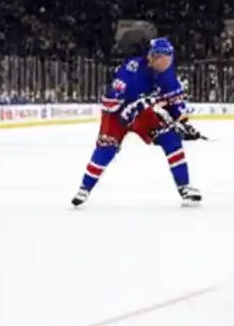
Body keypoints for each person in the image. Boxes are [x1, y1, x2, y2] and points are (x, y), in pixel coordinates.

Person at [71, 37, 201, 207]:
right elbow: (113, 100)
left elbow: (175, 104)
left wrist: (182, 123)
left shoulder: (168, 75)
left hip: (142, 113)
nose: (167, 62)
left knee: (171, 139)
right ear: (152, 57)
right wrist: (129, 110)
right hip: (116, 112)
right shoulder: (131, 69)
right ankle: (84, 188)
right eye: (163, 58)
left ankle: (184, 187)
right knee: (107, 148)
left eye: (170, 58)